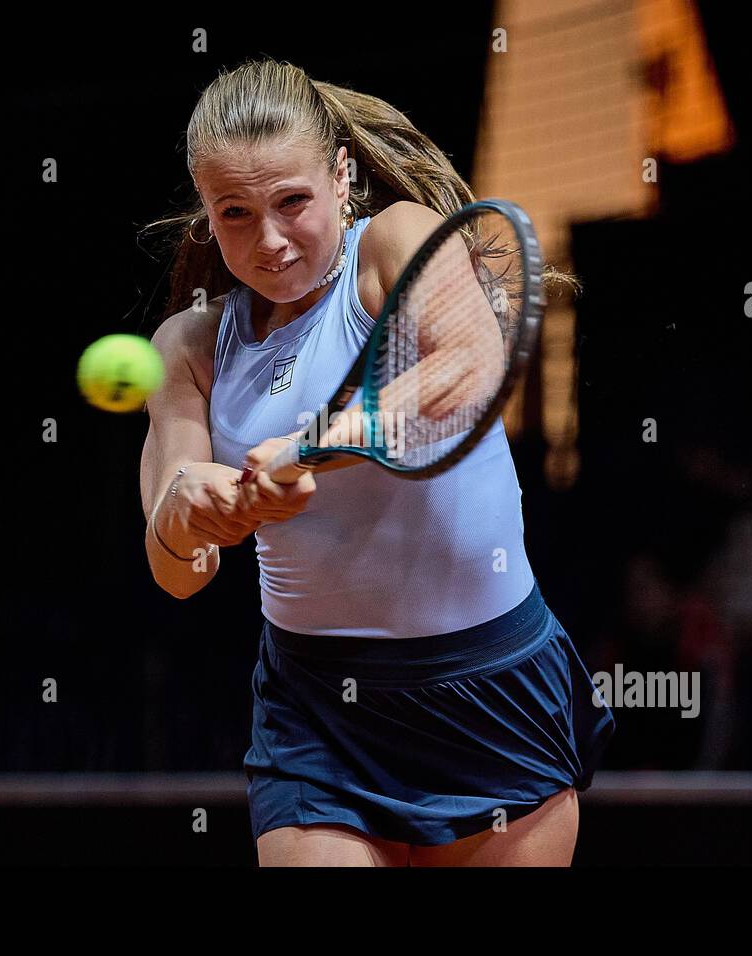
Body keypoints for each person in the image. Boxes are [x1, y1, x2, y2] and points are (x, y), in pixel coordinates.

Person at [140, 58, 614, 866]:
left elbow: (470, 371)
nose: (271, 239)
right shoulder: (188, 347)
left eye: (292, 202)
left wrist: (309, 447)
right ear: (206, 218)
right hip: (316, 710)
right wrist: (191, 511)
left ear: (342, 174)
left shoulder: (394, 241)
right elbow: (176, 568)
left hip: (491, 687)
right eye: (236, 213)